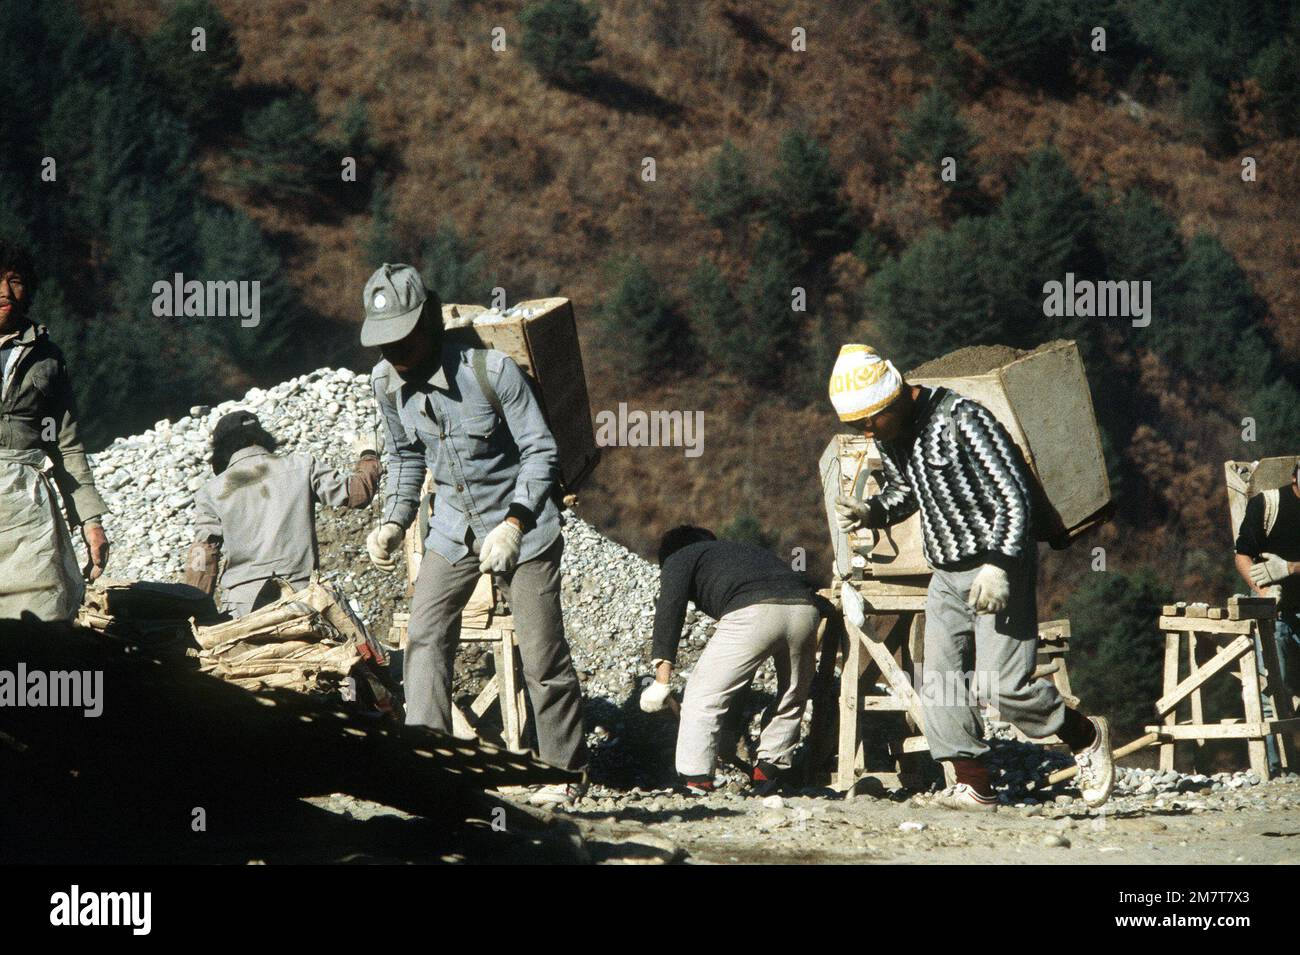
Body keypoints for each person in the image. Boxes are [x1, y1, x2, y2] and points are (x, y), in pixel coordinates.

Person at [829, 344, 1114, 811]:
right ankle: (973, 783)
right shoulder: (891, 434)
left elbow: (1012, 493)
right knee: (938, 682)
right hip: (947, 572)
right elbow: (906, 491)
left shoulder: (964, 419)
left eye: (869, 420)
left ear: (893, 396)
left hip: (996, 568)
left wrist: (999, 565)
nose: (864, 430)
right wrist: (870, 511)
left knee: (1003, 684)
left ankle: (1084, 735)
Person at [361, 263, 588, 793]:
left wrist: (513, 522)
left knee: (542, 656)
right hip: (452, 528)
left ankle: (564, 772)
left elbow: (541, 451)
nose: (392, 354)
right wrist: (394, 522)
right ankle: (429, 765)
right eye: (382, 344)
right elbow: (403, 456)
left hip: (523, 527)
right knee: (424, 637)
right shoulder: (386, 384)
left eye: (401, 340)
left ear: (426, 326)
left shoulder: (490, 372)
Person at [640, 525, 824, 794]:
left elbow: (670, 611)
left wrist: (661, 680)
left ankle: (696, 779)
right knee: (791, 694)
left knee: (702, 696)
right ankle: (770, 771)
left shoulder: (680, 557)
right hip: (806, 610)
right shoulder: (744, 552)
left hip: (754, 612)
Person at [0, 239, 109, 620]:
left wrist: (90, 521)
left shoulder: (47, 357)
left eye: (14, 280)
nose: (4, 292)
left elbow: (65, 444)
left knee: (39, 614)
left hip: (26, 504)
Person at [183, 410, 381, 617]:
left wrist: (191, 612)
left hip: (243, 607)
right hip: (302, 599)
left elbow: (203, 554)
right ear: (261, 436)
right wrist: (368, 455)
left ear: (222, 448)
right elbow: (358, 494)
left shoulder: (210, 492)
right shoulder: (302, 465)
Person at [1234, 459, 1300, 774]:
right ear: (1294, 476)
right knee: (1271, 687)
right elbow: (1243, 554)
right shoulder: (1269, 505)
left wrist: (1290, 568)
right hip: (1278, 611)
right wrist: (1260, 591)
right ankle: (1274, 768)